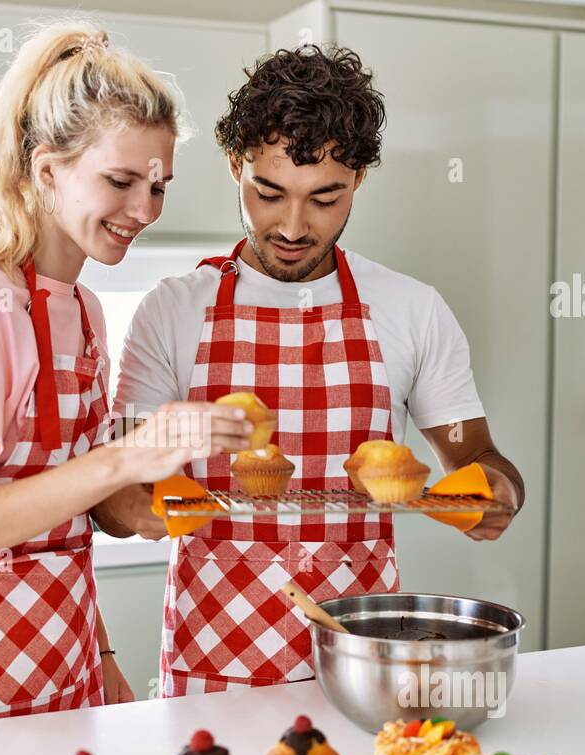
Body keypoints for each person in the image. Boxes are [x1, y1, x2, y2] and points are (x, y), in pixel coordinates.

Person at [94, 45, 524, 697]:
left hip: (364, 666)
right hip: (212, 669)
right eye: (269, 193)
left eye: (326, 197)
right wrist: (144, 505)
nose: (293, 226)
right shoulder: (171, 312)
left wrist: (495, 493)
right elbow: (111, 502)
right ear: (235, 166)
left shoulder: (411, 308)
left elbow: (483, 458)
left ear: (359, 180)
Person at [0, 23, 251, 730]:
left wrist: (104, 654)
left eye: (158, 186)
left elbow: (65, 524)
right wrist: (130, 454)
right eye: (121, 181)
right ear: (47, 170)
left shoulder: (86, 311)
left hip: (65, 665)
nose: (144, 210)